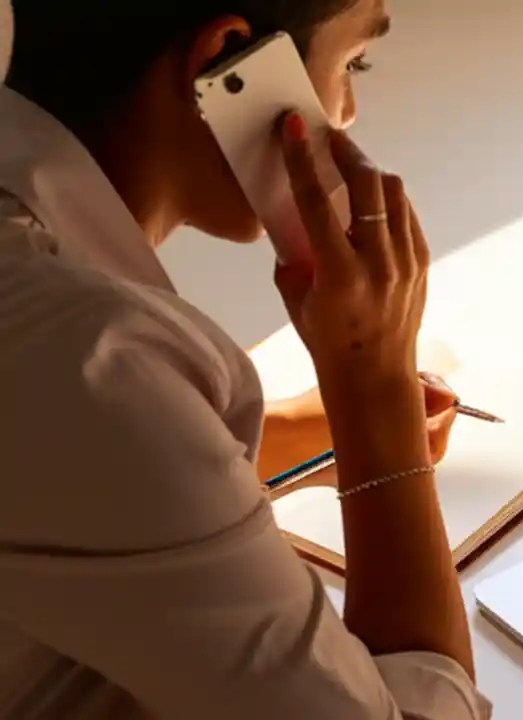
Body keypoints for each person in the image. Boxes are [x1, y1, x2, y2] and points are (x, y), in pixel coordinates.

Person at [0, 1, 490, 718]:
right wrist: (373, 380)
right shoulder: (95, 361)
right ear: (226, 63)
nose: (348, 112)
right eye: (352, 64)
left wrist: (294, 430)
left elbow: (74, 481)